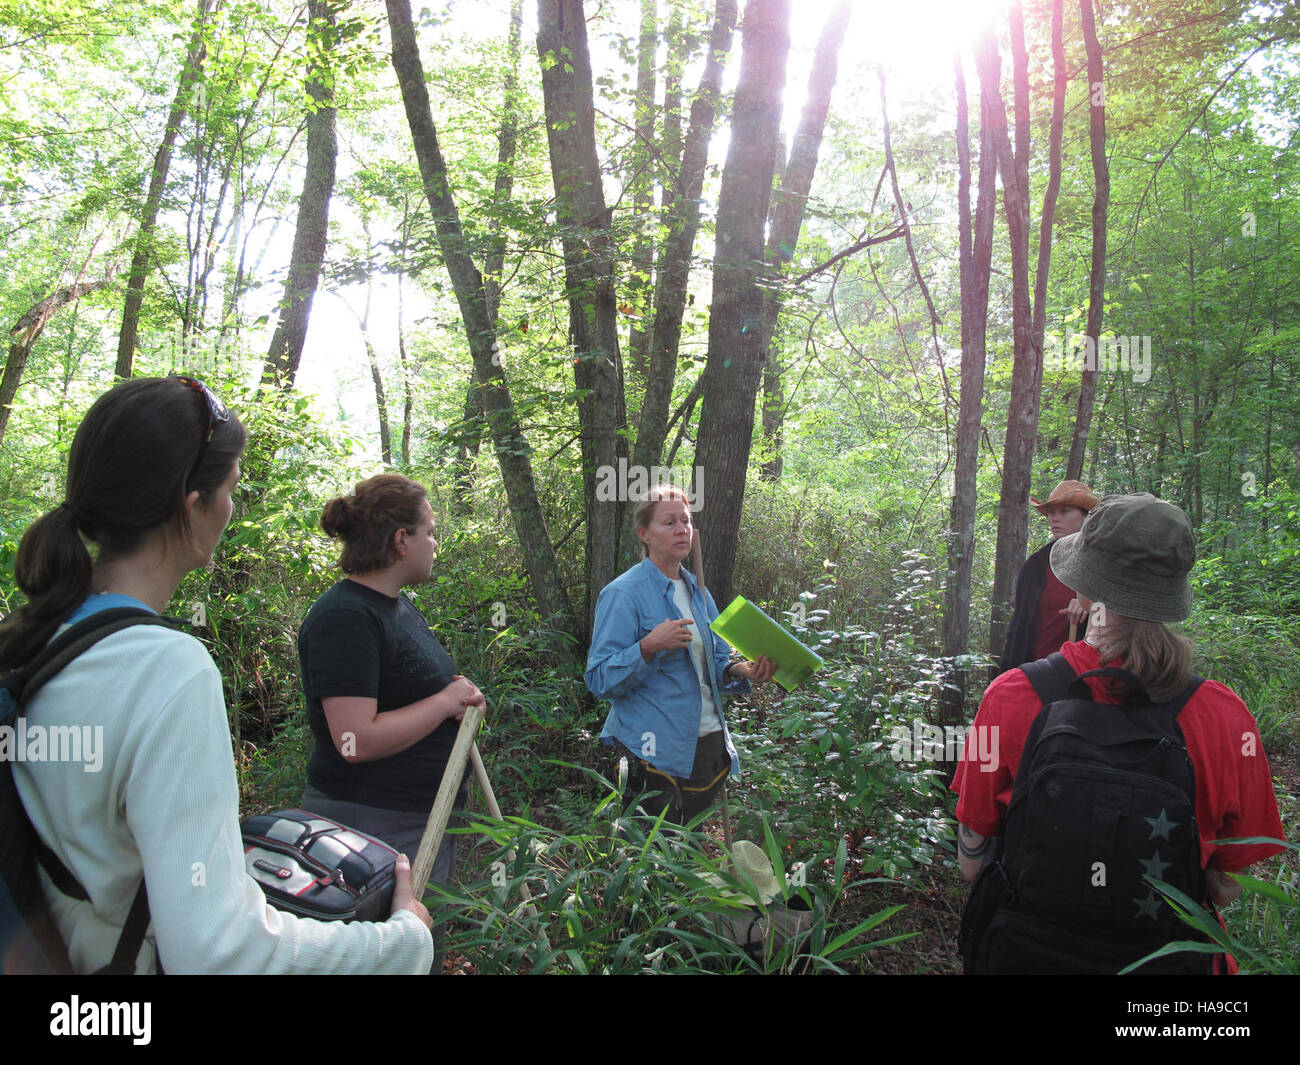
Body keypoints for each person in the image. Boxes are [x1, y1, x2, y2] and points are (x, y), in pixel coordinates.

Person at [4, 377, 433, 974]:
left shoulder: (32, 639)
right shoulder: (165, 672)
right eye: (230, 489)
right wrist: (403, 941)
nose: (232, 507)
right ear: (192, 504)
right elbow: (220, 956)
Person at [954, 493, 1285, 973]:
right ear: (1170, 595)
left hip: (1027, 953)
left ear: (1084, 589)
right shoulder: (1224, 715)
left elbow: (971, 863)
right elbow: (1226, 888)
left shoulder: (1011, 695)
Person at [297, 473, 484, 973]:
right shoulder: (346, 618)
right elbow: (355, 740)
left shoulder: (398, 610)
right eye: (429, 531)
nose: (434, 543)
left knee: (418, 954)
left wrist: (455, 699)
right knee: (386, 962)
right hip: (369, 828)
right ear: (401, 541)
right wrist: (445, 702)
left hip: (416, 822)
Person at [585, 485, 774, 822]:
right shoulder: (622, 594)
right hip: (653, 751)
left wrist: (738, 671)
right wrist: (648, 646)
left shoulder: (699, 592)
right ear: (644, 534)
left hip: (708, 746)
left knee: (688, 855)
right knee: (653, 856)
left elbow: (714, 664)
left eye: (685, 521)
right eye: (669, 522)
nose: (681, 529)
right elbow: (599, 679)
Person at [999, 479, 1099, 672]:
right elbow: (1018, 627)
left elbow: (1117, 623)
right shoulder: (1036, 565)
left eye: (1065, 511)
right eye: (1051, 512)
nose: (1054, 518)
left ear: (1086, 517)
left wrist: (1092, 604)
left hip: (1082, 678)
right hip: (1035, 675)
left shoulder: (1103, 563)